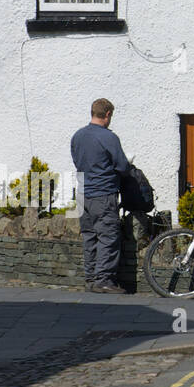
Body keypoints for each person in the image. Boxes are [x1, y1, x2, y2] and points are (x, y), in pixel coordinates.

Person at [70, 98, 130, 294]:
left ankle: (91, 278)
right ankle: (104, 280)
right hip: (103, 193)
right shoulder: (108, 138)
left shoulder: (77, 136)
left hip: (82, 194)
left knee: (89, 236)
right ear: (108, 115)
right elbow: (122, 166)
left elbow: (77, 161)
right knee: (108, 236)